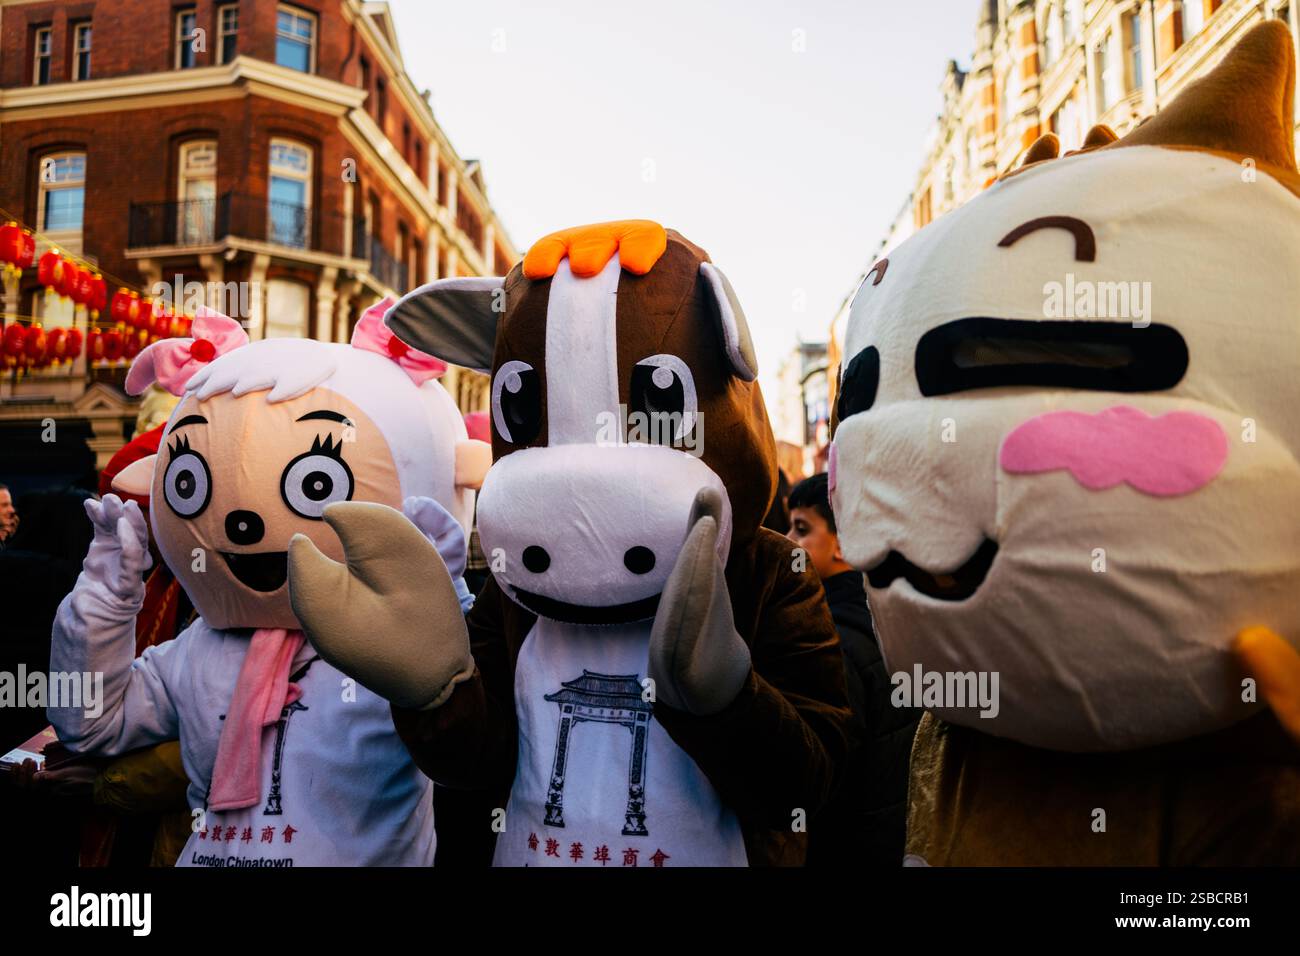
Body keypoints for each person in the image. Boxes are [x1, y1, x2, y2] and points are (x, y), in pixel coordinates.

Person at [786, 472, 918, 865]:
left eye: (801, 529)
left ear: (842, 543)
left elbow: (822, 777)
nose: (788, 540)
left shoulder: (829, 639)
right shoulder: (897, 617)